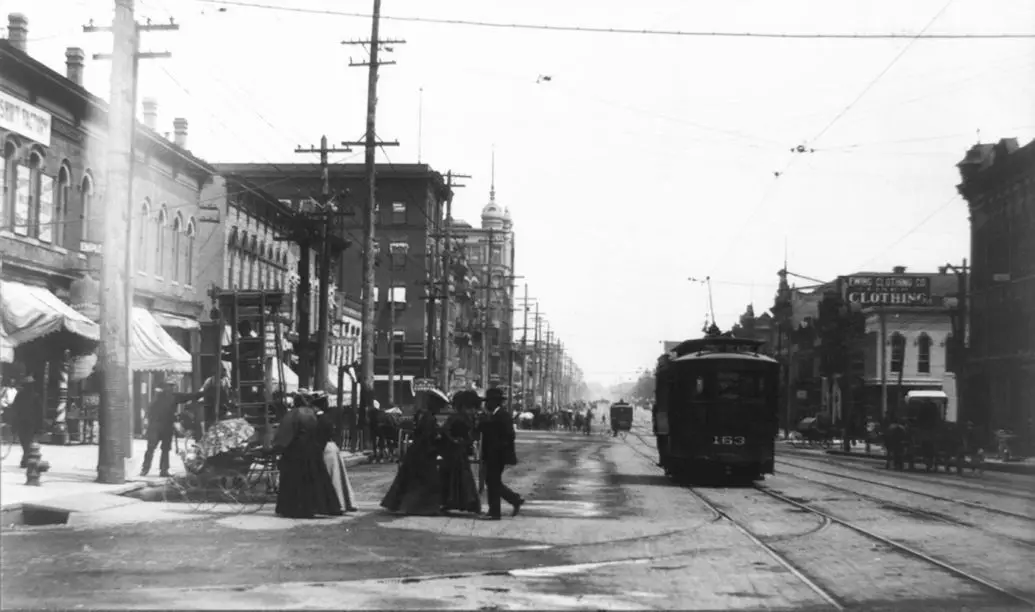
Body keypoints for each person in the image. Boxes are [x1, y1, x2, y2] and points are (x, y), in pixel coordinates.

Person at [272, 391, 342, 518]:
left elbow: (285, 434)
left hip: (296, 451)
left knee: (293, 480)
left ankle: (294, 509)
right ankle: (322, 507)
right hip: (312, 450)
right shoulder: (311, 413)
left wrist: (277, 447)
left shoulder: (293, 414)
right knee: (316, 479)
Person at [380, 396, 445, 516]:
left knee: (411, 479)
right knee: (426, 480)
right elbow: (426, 436)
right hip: (423, 452)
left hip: (418, 451)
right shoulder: (429, 418)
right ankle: (422, 507)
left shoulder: (426, 416)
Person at [478, 388, 524, 520]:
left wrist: (499, 448)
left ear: (494, 402)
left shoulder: (503, 415)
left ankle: (496, 511)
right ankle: (513, 500)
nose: (486, 404)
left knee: (492, 481)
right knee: (493, 481)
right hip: (492, 455)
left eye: (488, 402)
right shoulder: (493, 415)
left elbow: (509, 435)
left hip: (498, 456)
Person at [312, 392, 358, 513]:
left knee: (330, 477)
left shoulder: (319, 419)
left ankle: (336, 504)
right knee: (337, 477)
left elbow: (320, 437)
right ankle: (344, 503)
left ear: (317, 407)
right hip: (332, 447)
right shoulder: (327, 418)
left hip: (325, 449)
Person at [439, 391, 482, 515]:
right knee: (461, 476)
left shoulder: (457, 417)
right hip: (457, 450)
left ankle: (451, 501)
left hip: (455, 450)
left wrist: (456, 440)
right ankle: (467, 503)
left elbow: (445, 430)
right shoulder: (464, 418)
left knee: (453, 476)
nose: (472, 410)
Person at [140, 382, 196, 477]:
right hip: (164, 427)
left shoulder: (156, 398)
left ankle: (146, 469)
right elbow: (188, 396)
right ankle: (162, 470)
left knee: (152, 448)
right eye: (170, 386)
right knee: (163, 449)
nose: (171, 388)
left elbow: (150, 412)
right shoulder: (173, 396)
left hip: (156, 426)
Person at [8, 376, 41, 468]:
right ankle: (26, 459)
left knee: (26, 442)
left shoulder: (28, 396)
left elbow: (14, 410)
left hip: (25, 423)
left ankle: (25, 459)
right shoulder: (25, 395)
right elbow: (39, 413)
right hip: (27, 423)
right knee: (26, 442)